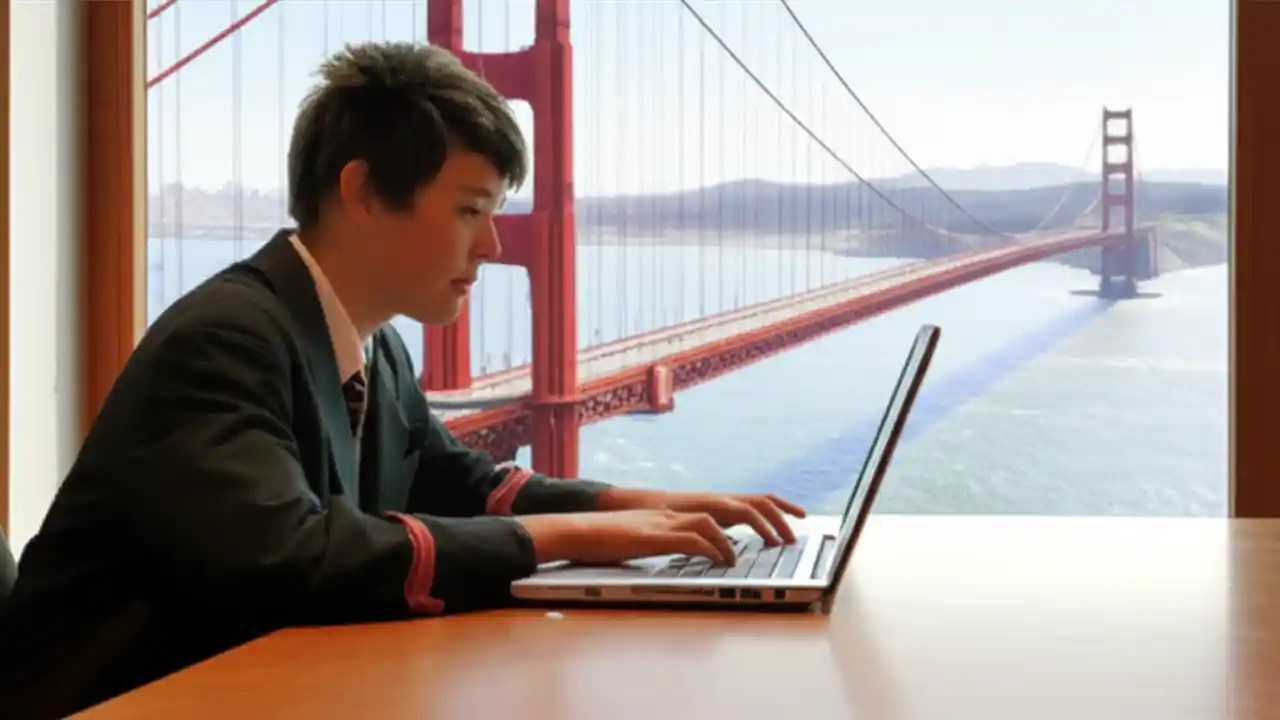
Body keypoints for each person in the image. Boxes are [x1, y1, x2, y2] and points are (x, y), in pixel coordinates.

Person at [0, 42, 804, 718]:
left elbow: (463, 484)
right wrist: (568, 540)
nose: (493, 244)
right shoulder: (224, 342)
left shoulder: (370, 346)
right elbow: (287, 559)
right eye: (469, 210)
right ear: (362, 191)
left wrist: (645, 509)